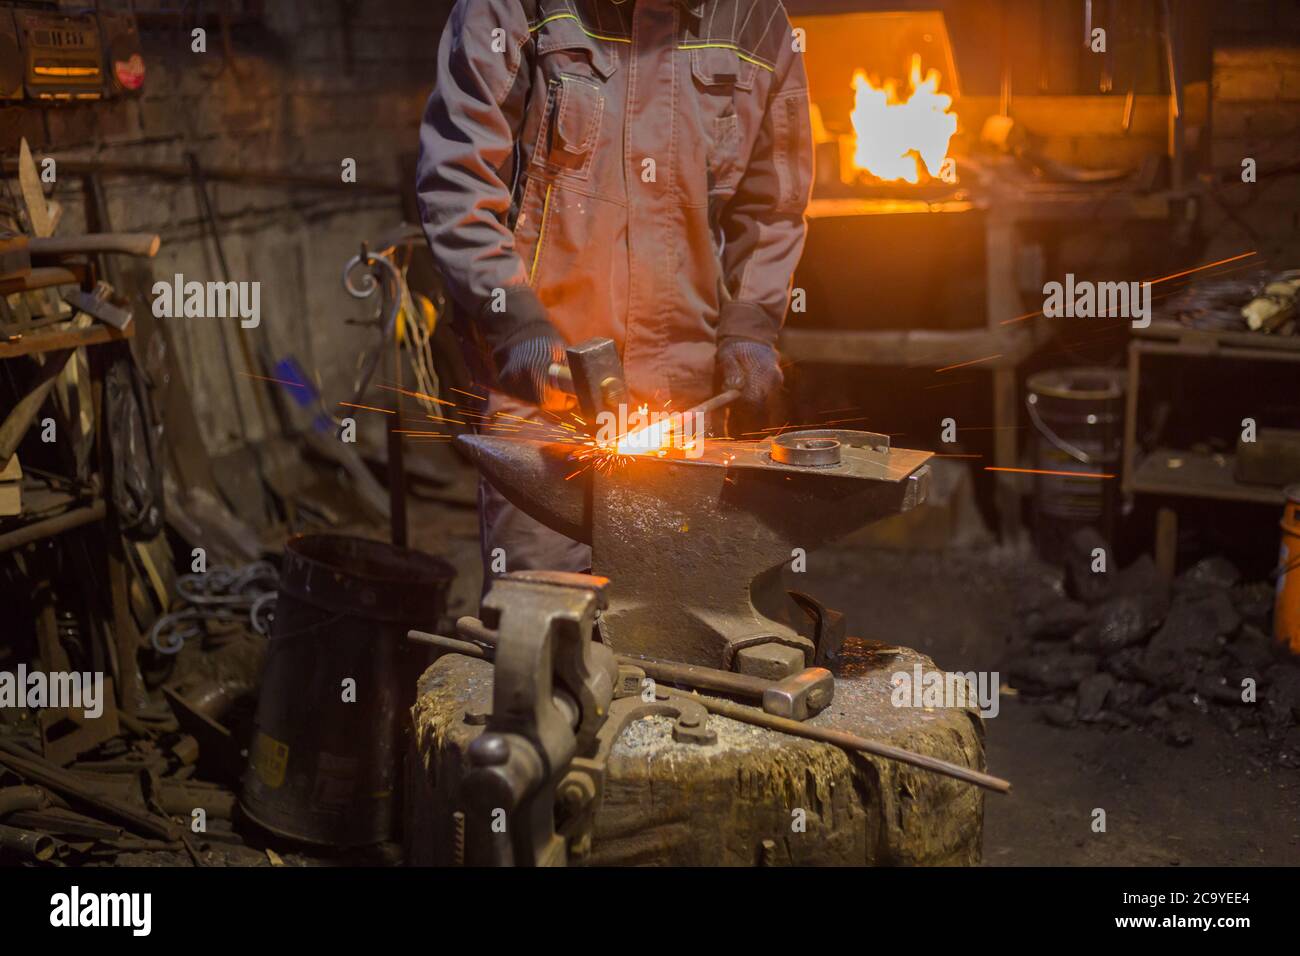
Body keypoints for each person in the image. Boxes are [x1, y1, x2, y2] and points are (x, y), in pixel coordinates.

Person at [417, 0, 812, 579]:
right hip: (549, 411)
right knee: (547, 638)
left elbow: (772, 204)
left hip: (688, 413)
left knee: (681, 637)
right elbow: (459, 178)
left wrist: (751, 322)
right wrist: (513, 317)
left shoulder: (753, 17)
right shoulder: (510, 8)